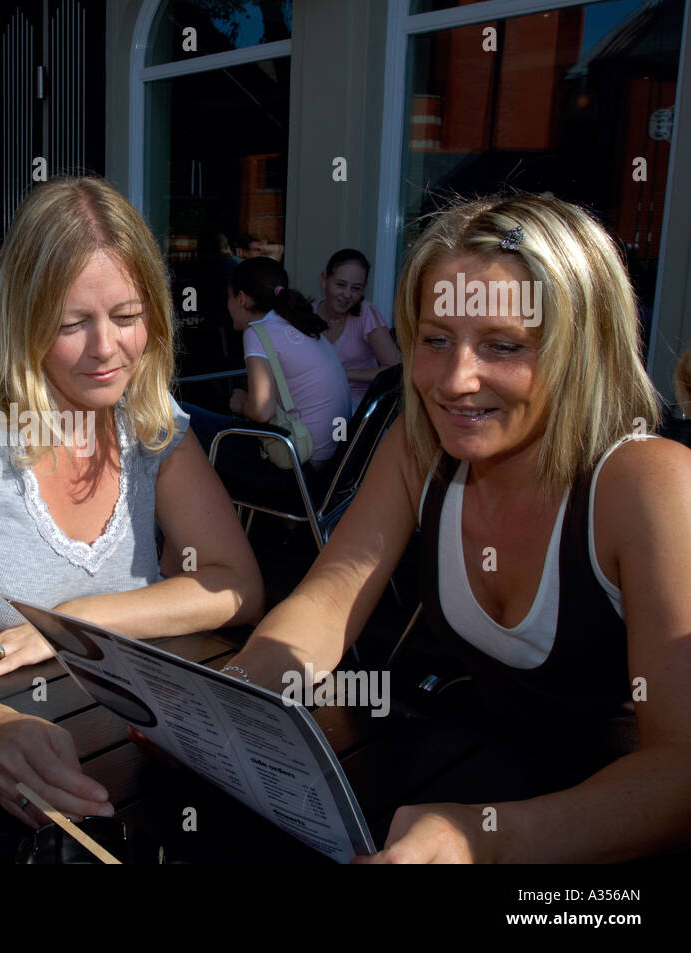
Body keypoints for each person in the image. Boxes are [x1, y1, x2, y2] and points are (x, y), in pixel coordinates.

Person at [222, 195, 691, 863]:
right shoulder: (420, 447)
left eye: (502, 345)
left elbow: (680, 772)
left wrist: (485, 836)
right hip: (479, 779)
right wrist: (231, 697)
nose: (454, 380)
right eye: (436, 338)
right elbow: (328, 602)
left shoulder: (648, 484)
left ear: (581, 349)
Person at [0, 177, 265, 827]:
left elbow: (236, 583)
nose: (105, 350)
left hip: (110, 747)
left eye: (126, 317)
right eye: (71, 323)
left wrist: (71, 623)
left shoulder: (150, 415)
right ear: (25, 317)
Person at [185, 258, 352, 489]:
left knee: (180, 416)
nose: (228, 305)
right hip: (330, 464)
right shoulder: (297, 322)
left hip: (298, 468)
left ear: (241, 298)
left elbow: (262, 411)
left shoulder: (257, 331)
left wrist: (243, 403)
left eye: (229, 297)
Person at [313, 248, 402, 407]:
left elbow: (394, 369)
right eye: (340, 285)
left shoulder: (366, 314)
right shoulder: (307, 314)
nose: (347, 294)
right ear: (324, 279)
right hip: (312, 400)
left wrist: (344, 374)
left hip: (356, 407)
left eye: (356, 288)